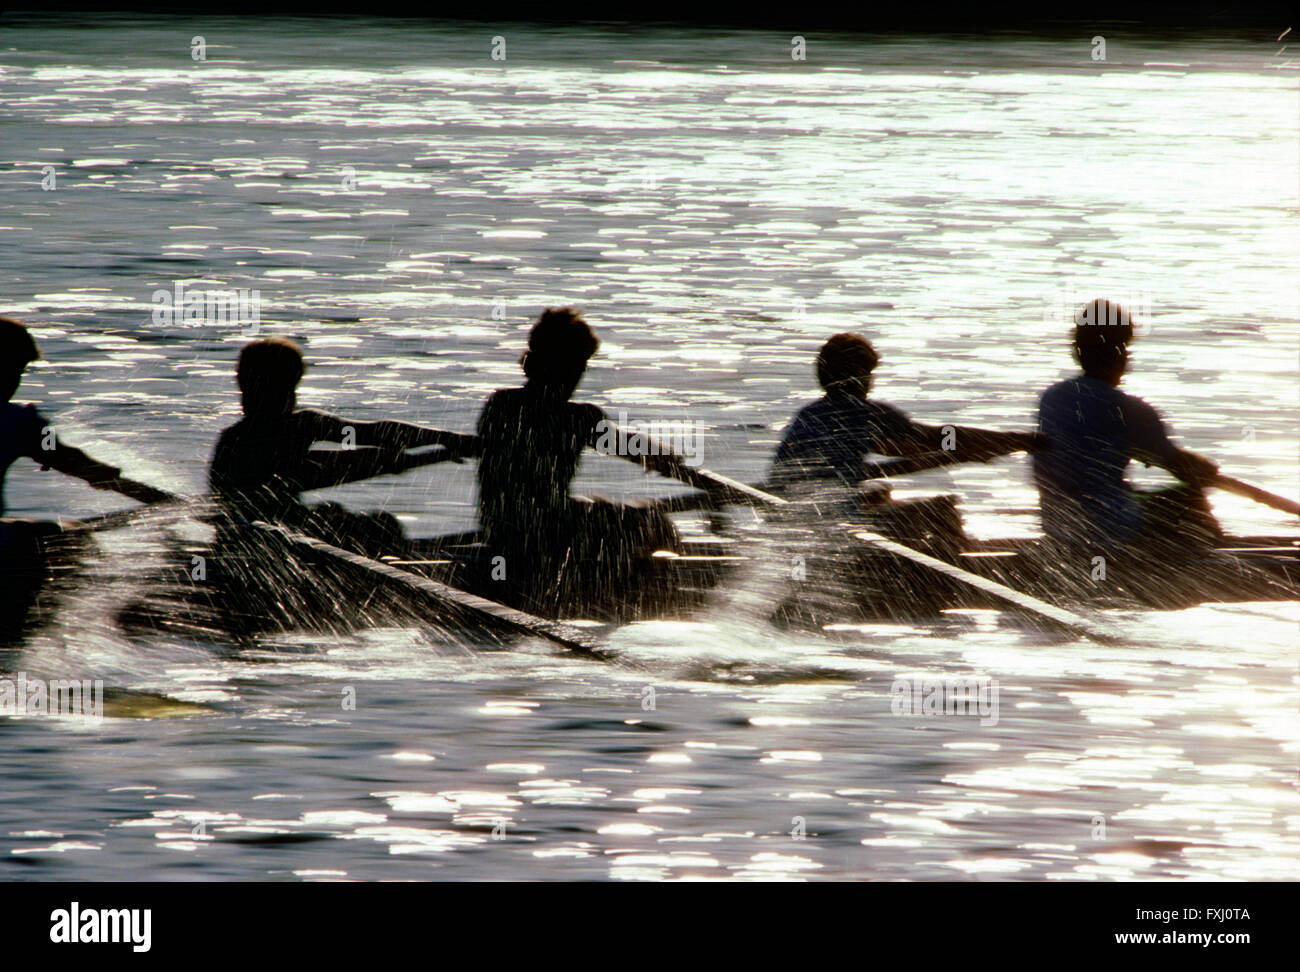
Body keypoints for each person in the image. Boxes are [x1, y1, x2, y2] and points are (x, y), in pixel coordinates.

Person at [768, 331, 1040, 553]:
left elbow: (900, 448)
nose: (871, 383)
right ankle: (957, 579)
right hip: (830, 529)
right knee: (941, 509)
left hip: (788, 520)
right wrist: (1016, 440)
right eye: (869, 375)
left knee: (879, 494)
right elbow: (939, 440)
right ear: (862, 377)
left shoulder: (807, 415)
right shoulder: (864, 414)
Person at [209, 337, 473, 551]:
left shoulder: (233, 438)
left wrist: (439, 453)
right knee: (380, 526)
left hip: (241, 543)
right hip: (283, 545)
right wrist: (450, 440)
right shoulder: (300, 425)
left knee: (337, 514)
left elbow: (342, 464)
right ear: (286, 390)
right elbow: (375, 434)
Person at [475, 308, 679, 585]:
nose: (579, 375)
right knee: (652, 519)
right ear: (554, 365)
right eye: (577, 365)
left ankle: (604, 577)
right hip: (548, 533)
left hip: (498, 533)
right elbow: (632, 448)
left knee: (599, 508)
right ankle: (632, 588)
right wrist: (666, 458)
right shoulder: (579, 418)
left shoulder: (499, 405)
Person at [1033, 298, 1220, 549]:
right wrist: (1204, 468)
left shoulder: (1052, 399)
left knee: (1128, 495)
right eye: (1125, 348)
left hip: (1059, 525)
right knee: (1189, 498)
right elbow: (1182, 467)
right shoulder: (1130, 410)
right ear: (1120, 354)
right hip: (1108, 527)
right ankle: (1214, 567)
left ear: (1078, 352)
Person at [0, 316, 126, 518]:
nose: (16, 381)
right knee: (74, 535)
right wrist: (102, 472)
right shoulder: (21, 422)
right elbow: (61, 455)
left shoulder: (25, 424)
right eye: (18, 370)